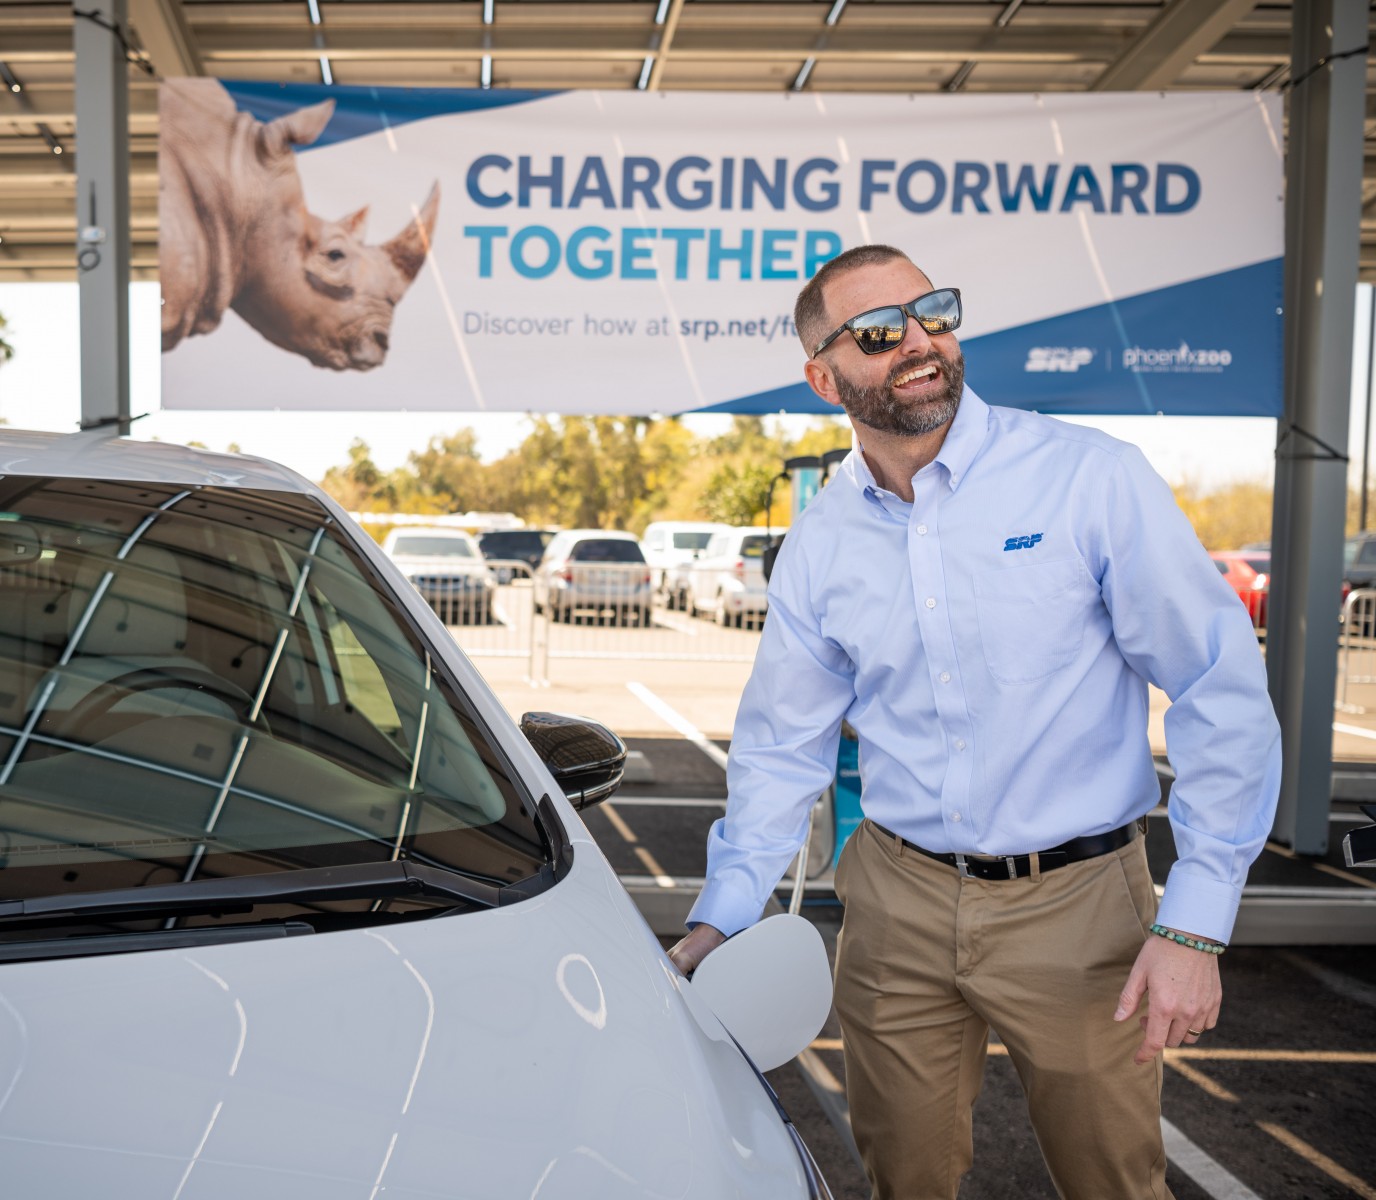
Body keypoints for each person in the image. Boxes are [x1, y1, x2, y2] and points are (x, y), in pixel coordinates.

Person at [668, 244, 1282, 1200]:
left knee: (1115, 1183)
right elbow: (782, 745)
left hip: (1081, 907)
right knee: (902, 1178)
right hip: (896, 905)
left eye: (935, 313)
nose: (919, 343)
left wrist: (1196, 926)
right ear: (823, 376)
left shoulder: (1089, 480)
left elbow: (1218, 686)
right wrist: (725, 913)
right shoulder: (822, 540)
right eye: (880, 331)